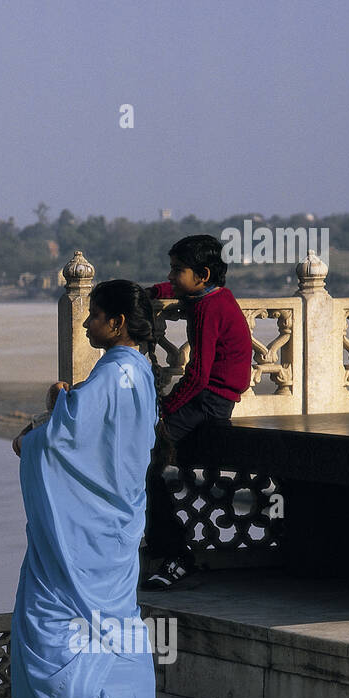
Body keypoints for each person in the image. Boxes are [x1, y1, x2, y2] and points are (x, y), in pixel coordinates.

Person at [9, 280, 159, 698]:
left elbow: (64, 439)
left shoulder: (113, 373)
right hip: (115, 524)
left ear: (116, 322)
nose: (87, 323)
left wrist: (37, 429)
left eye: (94, 315)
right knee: (112, 622)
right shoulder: (140, 373)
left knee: (51, 617)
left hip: (87, 536)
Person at [141, 235, 252, 590]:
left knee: (147, 459)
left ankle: (175, 555)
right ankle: (166, 548)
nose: (171, 277)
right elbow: (177, 289)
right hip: (214, 396)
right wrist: (155, 291)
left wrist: (166, 409)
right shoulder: (209, 295)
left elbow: (198, 375)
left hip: (209, 400)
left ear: (202, 275)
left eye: (177, 270)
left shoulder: (209, 308)